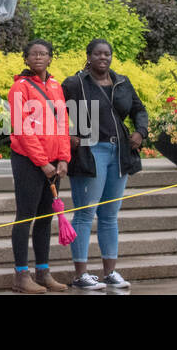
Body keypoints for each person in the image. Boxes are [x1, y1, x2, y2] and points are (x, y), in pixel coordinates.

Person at [61, 38, 149, 291]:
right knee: (85, 213)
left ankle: (110, 272)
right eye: (98, 54)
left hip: (118, 152)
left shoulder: (122, 81)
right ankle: (81, 274)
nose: (103, 58)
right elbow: (52, 110)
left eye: (107, 54)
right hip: (90, 151)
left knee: (110, 215)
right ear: (88, 56)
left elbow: (139, 110)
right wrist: (66, 136)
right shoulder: (75, 83)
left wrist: (140, 132)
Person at [7, 39, 70, 294]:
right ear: (25, 58)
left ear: (50, 58)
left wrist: (64, 158)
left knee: (46, 217)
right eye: (33, 54)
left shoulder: (55, 85)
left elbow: (63, 123)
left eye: (44, 53)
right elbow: (23, 130)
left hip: (55, 163)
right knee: (26, 216)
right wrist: (42, 162)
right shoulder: (20, 87)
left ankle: (43, 271)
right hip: (28, 162)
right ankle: (21, 275)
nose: (39, 57)